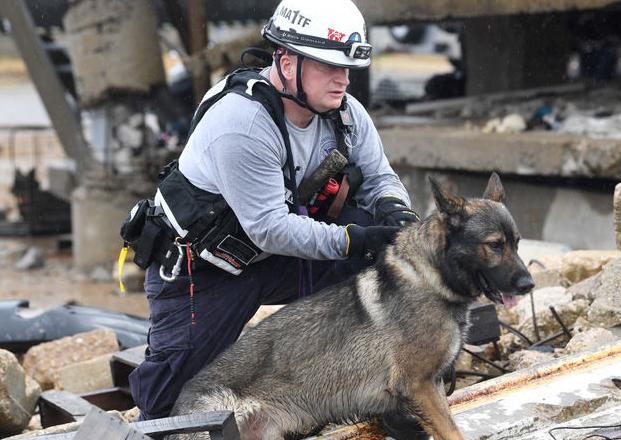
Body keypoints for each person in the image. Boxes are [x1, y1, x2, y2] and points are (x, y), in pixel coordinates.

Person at [127, 0, 419, 423]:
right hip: (206, 270)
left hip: (281, 259)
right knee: (172, 405)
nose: (343, 79)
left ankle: (386, 393)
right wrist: (354, 239)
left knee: (382, 253)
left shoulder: (346, 113)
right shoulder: (242, 121)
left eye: (347, 68)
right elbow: (269, 228)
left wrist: (396, 211)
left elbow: (379, 177)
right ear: (286, 61)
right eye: (327, 66)